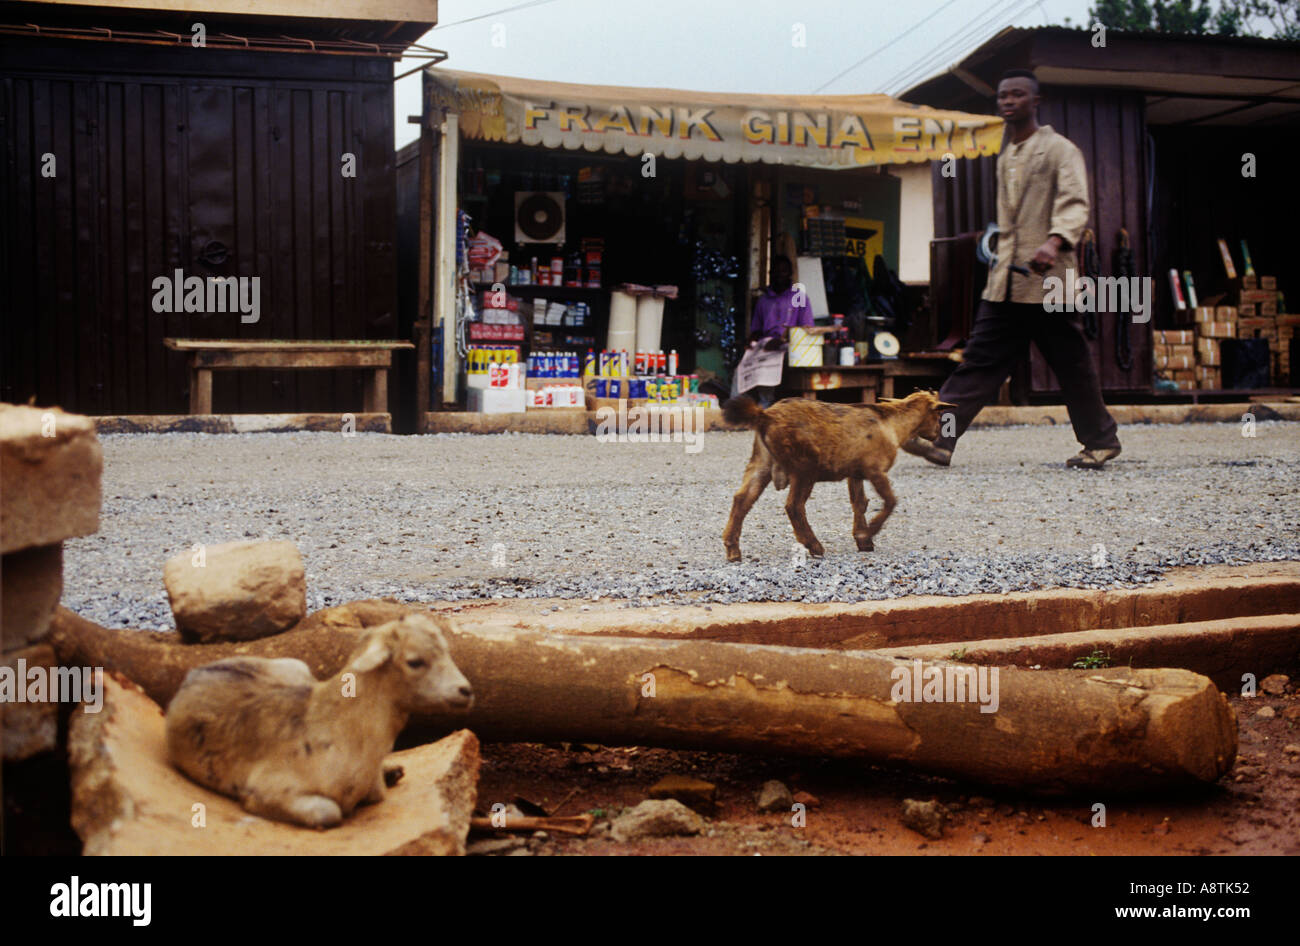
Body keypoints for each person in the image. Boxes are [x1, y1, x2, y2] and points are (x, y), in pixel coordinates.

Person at [905, 69, 1122, 470]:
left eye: (1017, 95)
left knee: (1071, 363)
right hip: (1006, 280)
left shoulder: (1060, 150)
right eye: (1003, 96)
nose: (1008, 102)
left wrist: (1054, 241)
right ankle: (941, 439)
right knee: (979, 362)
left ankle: (1102, 441)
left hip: (1049, 280)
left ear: (1035, 102)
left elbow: (1075, 203)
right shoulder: (1007, 155)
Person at [740, 255, 822, 407]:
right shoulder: (764, 300)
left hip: (791, 345)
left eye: (783, 271)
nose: (779, 275)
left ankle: (766, 403)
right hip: (767, 343)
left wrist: (784, 340)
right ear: (770, 274)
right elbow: (756, 329)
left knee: (770, 360)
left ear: (790, 274)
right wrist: (750, 342)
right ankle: (737, 407)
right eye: (776, 272)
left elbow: (806, 329)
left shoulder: (799, 297)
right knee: (744, 362)